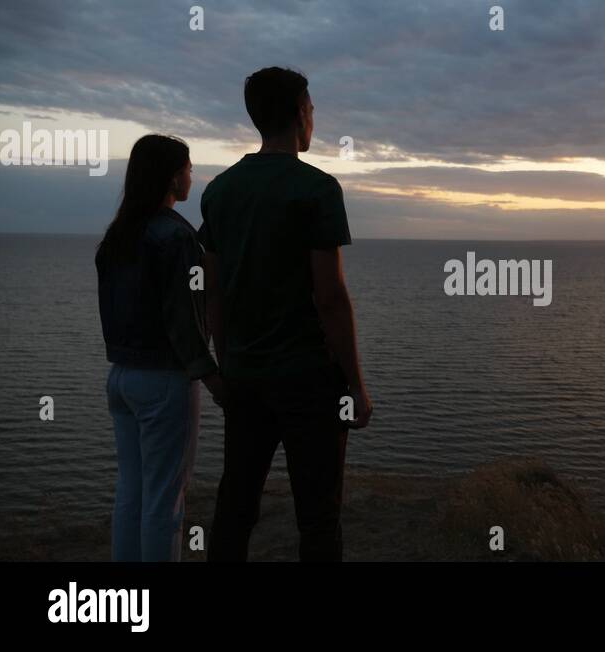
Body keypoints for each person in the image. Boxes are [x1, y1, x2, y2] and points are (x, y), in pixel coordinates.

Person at [201, 67, 373, 562]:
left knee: (236, 505)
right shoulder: (317, 189)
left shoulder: (220, 191)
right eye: (312, 109)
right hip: (310, 381)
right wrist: (357, 383)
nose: (314, 118)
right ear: (300, 115)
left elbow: (213, 292)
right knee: (319, 516)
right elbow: (330, 297)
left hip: (246, 378)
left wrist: (227, 361)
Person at [96, 134, 223, 562]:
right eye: (188, 168)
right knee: (166, 503)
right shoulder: (176, 238)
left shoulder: (118, 236)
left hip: (121, 377)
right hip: (165, 382)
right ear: (173, 177)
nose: (192, 176)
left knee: (131, 491)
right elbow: (184, 320)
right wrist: (212, 376)